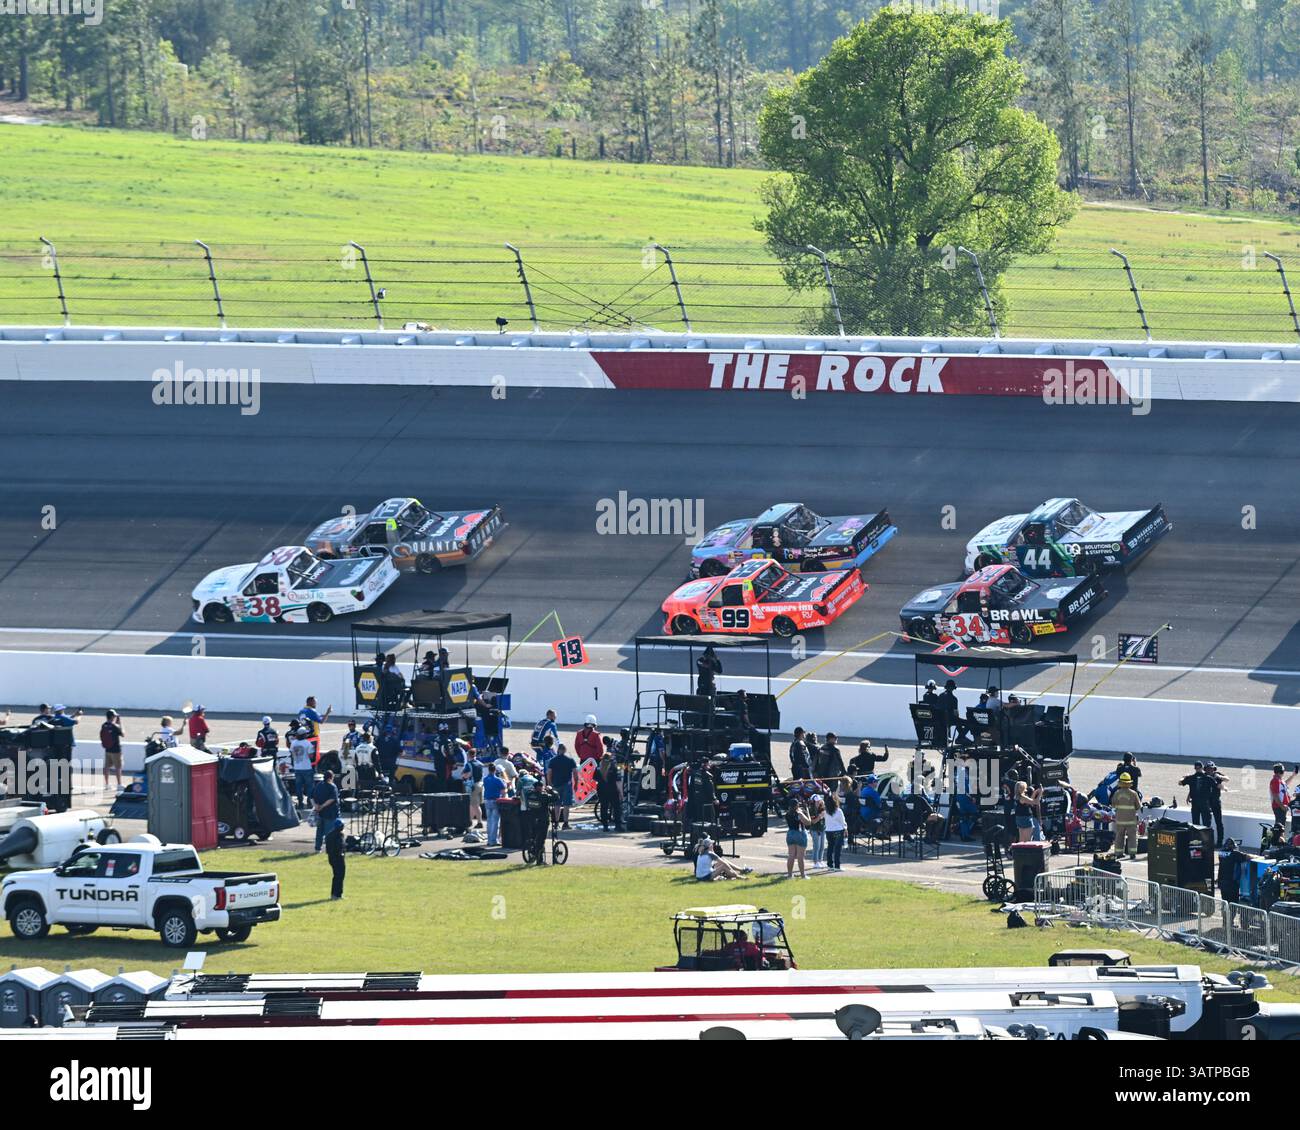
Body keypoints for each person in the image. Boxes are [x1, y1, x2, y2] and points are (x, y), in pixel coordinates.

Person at [547, 742, 578, 830]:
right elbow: (575, 773)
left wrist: (549, 784)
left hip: (556, 784)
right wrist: (576, 783)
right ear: (565, 750)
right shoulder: (570, 760)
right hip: (566, 785)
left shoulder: (553, 760)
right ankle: (565, 823)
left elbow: (549, 773)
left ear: (558, 750)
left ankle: (556, 823)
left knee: (557, 804)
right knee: (566, 805)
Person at [1111, 772, 1141, 859]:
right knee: (1132, 836)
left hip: (1120, 820)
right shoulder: (1133, 793)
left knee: (1119, 836)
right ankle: (1132, 853)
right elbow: (1138, 806)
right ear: (1129, 783)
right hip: (1131, 820)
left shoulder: (1117, 793)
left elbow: (1113, 805)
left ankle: (1119, 853)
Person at [312, 768, 341, 853]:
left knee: (319, 832)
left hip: (320, 813)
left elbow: (312, 796)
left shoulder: (319, 785)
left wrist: (316, 806)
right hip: (330, 813)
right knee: (329, 833)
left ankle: (317, 848)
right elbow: (332, 799)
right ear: (331, 777)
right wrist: (323, 806)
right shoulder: (333, 787)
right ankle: (329, 849)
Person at [1179, 762, 1213, 828]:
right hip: (1204, 803)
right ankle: (1205, 837)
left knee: (1196, 825)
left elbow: (1180, 783)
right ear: (1202, 768)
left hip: (1196, 803)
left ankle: (1197, 837)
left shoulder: (1191, 777)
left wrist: (1184, 777)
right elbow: (1217, 786)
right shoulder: (1208, 778)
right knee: (1206, 825)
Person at [290, 726, 316, 808]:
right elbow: (311, 756)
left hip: (297, 767)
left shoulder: (293, 743)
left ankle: (300, 803)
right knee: (309, 786)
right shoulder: (307, 743)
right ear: (304, 734)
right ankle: (309, 802)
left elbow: (291, 753)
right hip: (306, 767)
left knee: (299, 787)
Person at [323, 805, 346, 900]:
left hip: (331, 858)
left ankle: (334, 894)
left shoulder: (329, 835)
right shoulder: (339, 836)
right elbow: (340, 847)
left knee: (336, 876)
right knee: (340, 876)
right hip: (338, 858)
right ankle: (338, 894)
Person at [784, 798, 811, 879]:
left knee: (791, 855)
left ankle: (789, 875)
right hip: (800, 833)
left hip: (790, 833)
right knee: (800, 856)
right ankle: (803, 875)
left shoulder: (787, 813)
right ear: (797, 805)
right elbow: (808, 822)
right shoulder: (799, 813)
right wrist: (807, 811)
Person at [99, 709, 124, 792]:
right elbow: (123, 734)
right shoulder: (115, 726)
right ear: (113, 717)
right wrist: (120, 723)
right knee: (118, 767)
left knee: (106, 767)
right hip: (116, 750)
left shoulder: (104, 725)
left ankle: (106, 784)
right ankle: (119, 784)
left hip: (107, 749)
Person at [596, 753, 622, 832]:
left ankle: (605, 826)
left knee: (604, 808)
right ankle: (617, 826)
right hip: (612, 790)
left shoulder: (598, 768)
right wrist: (621, 792)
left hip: (601, 790)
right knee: (616, 808)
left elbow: (595, 779)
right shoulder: (614, 767)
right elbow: (618, 781)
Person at [1205, 761, 1228, 847]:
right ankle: (1208, 842)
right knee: (1207, 823)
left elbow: (1227, 779)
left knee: (1219, 822)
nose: (1209, 771)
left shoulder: (1217, 775)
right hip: (1206, 802)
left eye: (1211, 769)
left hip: (1216, 802)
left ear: (1214, 769)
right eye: (1207, 769)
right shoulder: (1204, 776)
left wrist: (1220, 777)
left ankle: (1219, 842)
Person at [482, 763, 506, 846]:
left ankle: (489, 840)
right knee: (495, 822)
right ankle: (494, 840)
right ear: (495, 770)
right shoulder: (498, 780)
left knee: (489, 821)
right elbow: (503, 791)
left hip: (487, 800)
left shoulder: (485, 779)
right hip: (495, 801)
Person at [824, 792, 847, 871]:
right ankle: (837, 866)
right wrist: (845, 829)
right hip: (838, 831)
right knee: (837, 849)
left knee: (830, 848)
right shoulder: (838, 811)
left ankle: (829, 865)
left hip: (828, 831)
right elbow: (842, 821)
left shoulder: (826, 811)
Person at [807, 793, 827, 869]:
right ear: (813, 802)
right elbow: (813, 822)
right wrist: (820, 817)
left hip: (822, 829)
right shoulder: (811, 809)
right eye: (817, 801)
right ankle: (815, 862)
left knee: (822, 846)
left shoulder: (822, 808)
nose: (819, 802)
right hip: (815, 829)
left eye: (819, 801)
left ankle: (820, 860)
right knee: (816, 846)